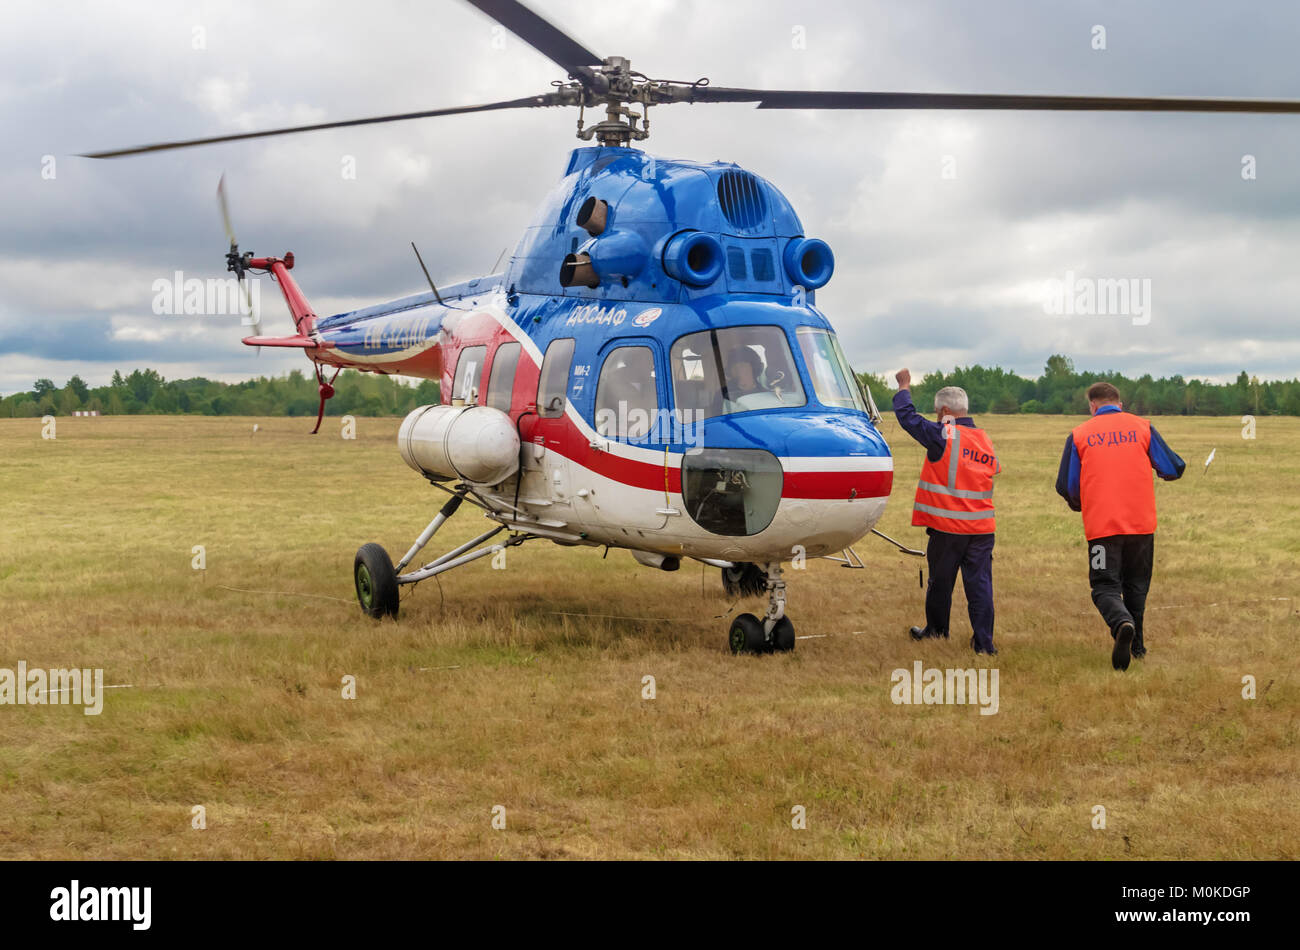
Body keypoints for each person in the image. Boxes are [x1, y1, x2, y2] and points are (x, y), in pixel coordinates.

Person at [1056, 381, 1185, 670]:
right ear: (1120, 404)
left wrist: (1080, 504)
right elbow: (1173, 468)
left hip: (1103, 528)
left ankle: (1121, 623)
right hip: (1141, 526)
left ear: (1092, 406)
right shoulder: (1142, 427)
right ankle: (1137, 646)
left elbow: (1066, 486)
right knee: (1137, 586)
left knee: (1104, 587)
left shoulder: (1079, 434)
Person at [893, 369, 1000, 655]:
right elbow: (994, 469)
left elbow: (908, 418)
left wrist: (904, 386)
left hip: (948, 528)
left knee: (940, 584)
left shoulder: (946, 432)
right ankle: (984, 644)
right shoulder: (982, 438)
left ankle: (936, 631)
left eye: (937, 413)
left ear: (945, 411)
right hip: (982, 528)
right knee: (980, 587)